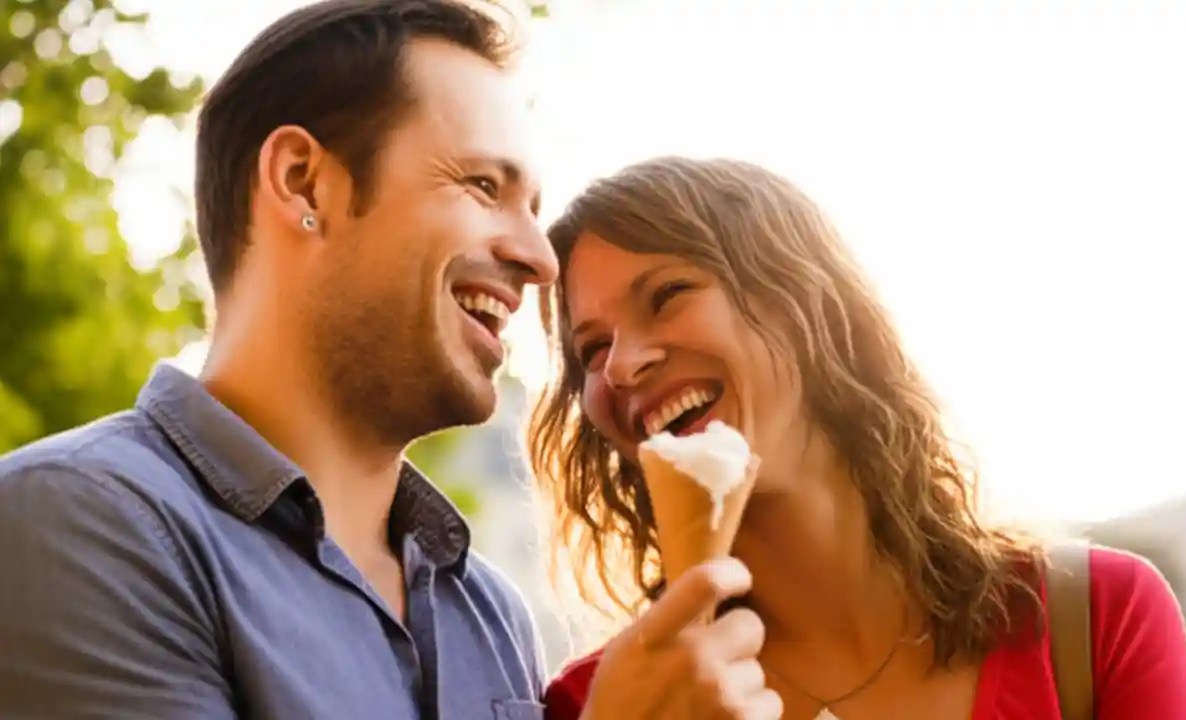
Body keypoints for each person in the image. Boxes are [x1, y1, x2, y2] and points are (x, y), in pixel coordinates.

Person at [0, 3, 776, 718]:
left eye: (534, 209)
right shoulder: (78, 525)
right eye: (481, 185)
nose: (540, 260)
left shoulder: (492, 618)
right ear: (304, 182)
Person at [528, 156, 1186, 719]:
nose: (620, 365)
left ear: (807, 305)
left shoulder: (1093, 621)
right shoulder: (599, 704)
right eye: (591, 350)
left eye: (668, 293)